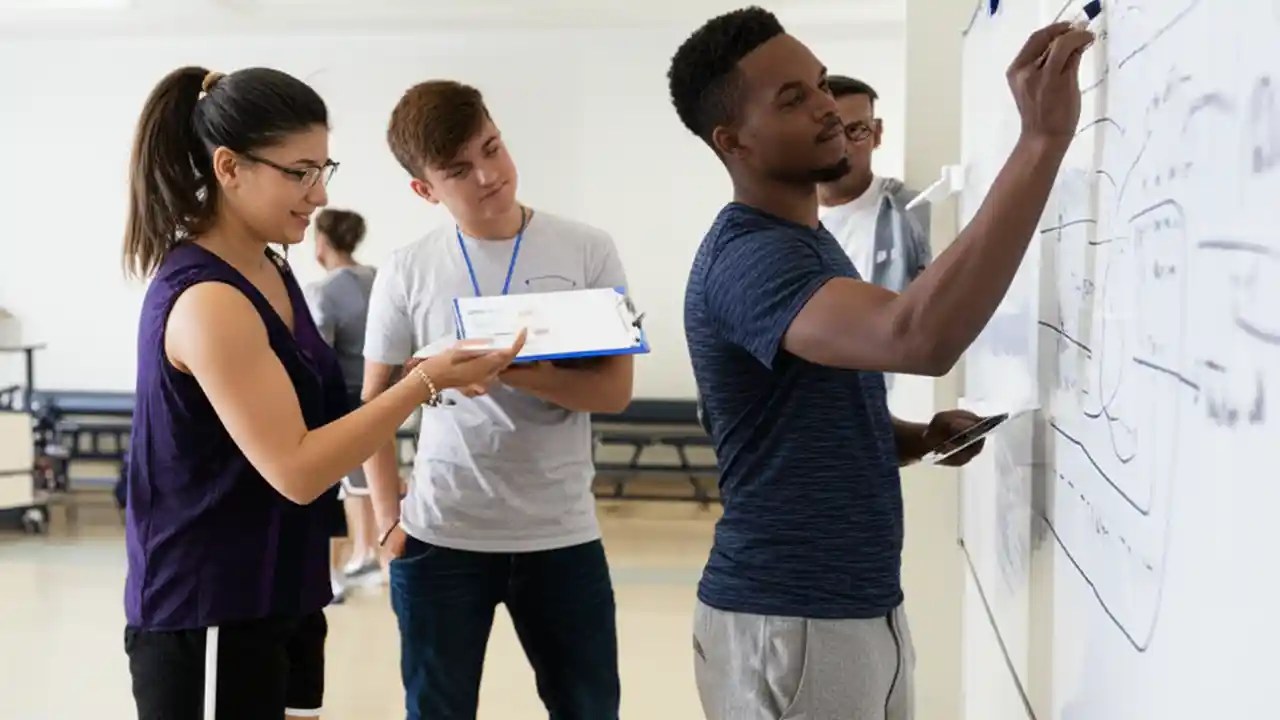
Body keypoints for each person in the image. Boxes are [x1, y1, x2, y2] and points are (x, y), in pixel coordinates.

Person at [667, 7, 1091, 720]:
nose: (828, 109)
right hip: (790, 622)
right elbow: (915, 337)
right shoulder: (751, 258)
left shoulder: (805, 240)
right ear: (732, 140)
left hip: (847, 610)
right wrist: (1043, 139)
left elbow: (801, 421)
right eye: (792, 99)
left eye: (821, 84)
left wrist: (918, 438)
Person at [120, 66, 523, 720]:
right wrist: (422, 383)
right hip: (213, 606)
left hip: (282, 587)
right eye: (299, 172)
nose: (319, 195)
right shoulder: (209, 300)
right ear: (229, 167)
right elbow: (299, 471)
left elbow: (323, 417)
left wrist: (423, 370)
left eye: (323, 168)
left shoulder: (270, 266)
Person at [362, 78, 634, 720]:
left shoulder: (588, 250)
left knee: (590, 708)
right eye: (458, 169)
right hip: (440, 534)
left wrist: (510, 371)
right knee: (437, 709)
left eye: (492, 147)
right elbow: (375, 404)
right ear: (424, 190)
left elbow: (614, 391)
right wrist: (386, 521)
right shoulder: (407, 268)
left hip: (561, 533)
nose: (488, 175)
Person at [304, 208, 382, 604]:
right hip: (385, 391)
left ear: (322, 242)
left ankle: (361, 554)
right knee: (372, 472)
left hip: (345, 393)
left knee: (348, 480)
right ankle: (369, 552)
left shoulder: (324, 292)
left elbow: (318, 351)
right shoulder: (378, 279)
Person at [816, 75, 931, 294]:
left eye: (856, 131)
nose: (844, 147)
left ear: (876, 134)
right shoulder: (784, 227)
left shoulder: (913, 213)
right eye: (829, 134)